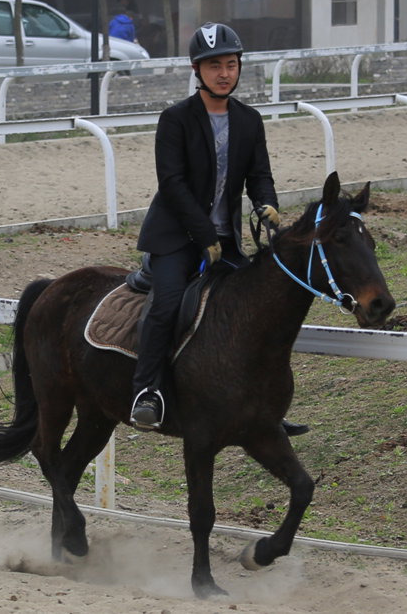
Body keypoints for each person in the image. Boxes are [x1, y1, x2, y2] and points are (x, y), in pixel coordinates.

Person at [129, 22, 305, 435]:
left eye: (230, 64)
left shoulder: (249, 120)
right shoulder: (174, 120)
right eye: (214, 66)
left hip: (225, 241)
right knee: (167, 303)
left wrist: (268, 206)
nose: (224, 73)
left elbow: (259, 175)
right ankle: (147, 392)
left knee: (259, 308)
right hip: (176, 239)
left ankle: (263, 405)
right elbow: (172, 185)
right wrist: (203, 236)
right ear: (196, 69)